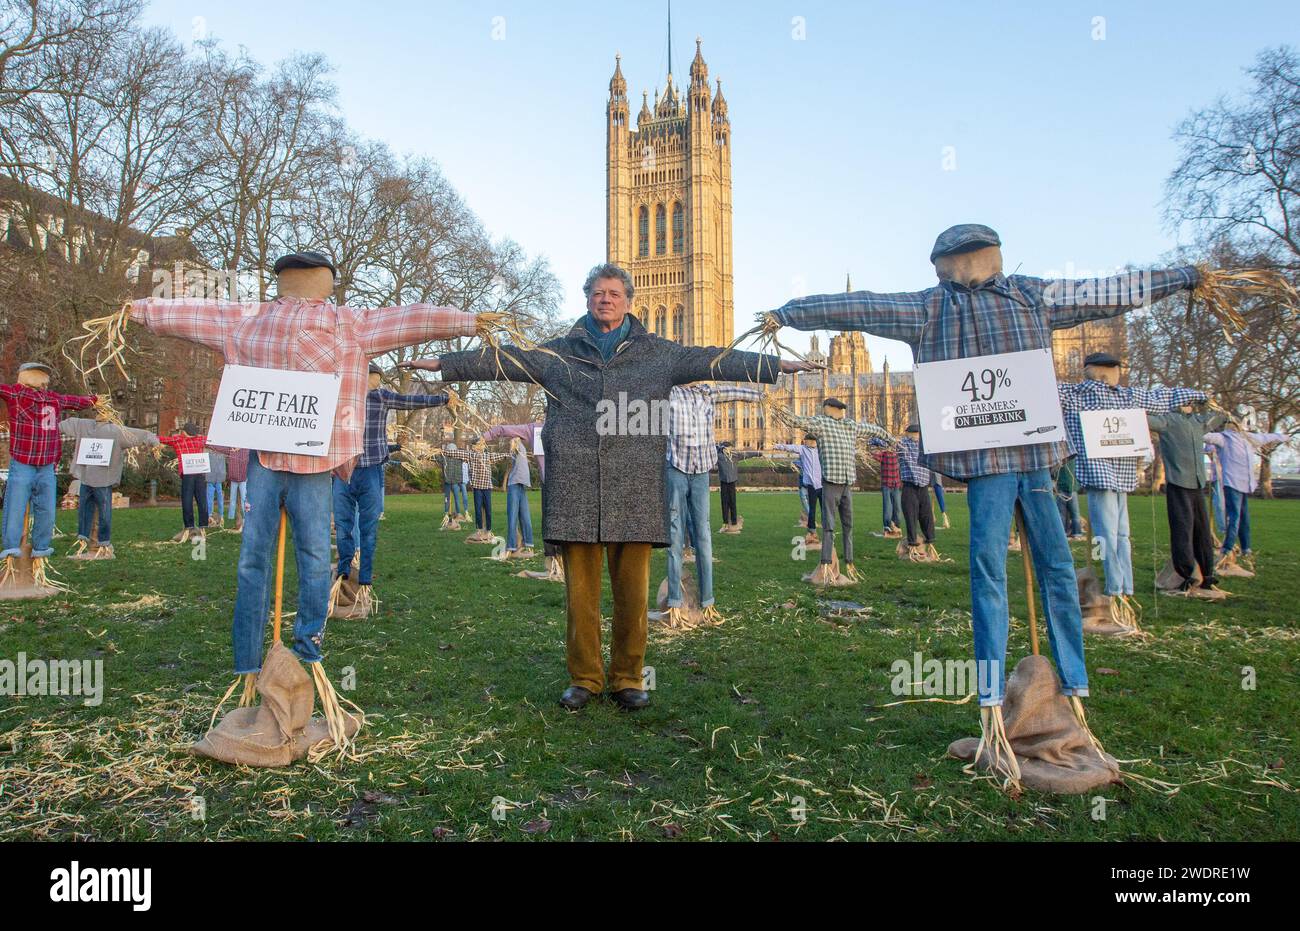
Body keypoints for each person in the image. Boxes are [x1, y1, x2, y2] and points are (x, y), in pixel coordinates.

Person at [764, 222, 1202, 774]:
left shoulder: (1012, 297)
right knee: (1012, 573)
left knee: (1041, 573)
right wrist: (791, 312)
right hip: (1006, 463)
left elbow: (1112, 291)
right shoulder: (963, 303)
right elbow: (855, 307)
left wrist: (1184, 277)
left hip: (1030, 460)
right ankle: (998, 709)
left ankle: (1063, 699)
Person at [400, 262, 798, 712]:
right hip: (576, 484)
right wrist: (443, 364)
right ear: (587, 299)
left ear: (628, 300)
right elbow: (503, 360)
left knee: (632, 594)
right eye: (596, 293)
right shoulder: (558, 353)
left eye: (612, 293)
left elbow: (714, 359)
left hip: (634, 483)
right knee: (580, 595)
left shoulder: (658, 353)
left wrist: (776, 365)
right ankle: (585, 678)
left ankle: (628, 677)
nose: (604, 299)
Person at [129, 249, 484, 732]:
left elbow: (191, 314)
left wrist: (136, 312)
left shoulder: (269, 319)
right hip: (290, 459)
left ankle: (279, 661)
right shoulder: (326, 322)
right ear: (326, 283)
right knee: (297, 557)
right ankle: (277, 662)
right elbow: (410, 320)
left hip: (294, 460)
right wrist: (470, 320)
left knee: (276, 557)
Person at [1057, 351, 1207, 621]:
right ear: (1111, 372)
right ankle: (1122, 587)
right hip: (1120, 473)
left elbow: (1044, 391)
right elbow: (1163, 398)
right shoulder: (1127, 396)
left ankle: (1116, 588)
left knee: (1106, 533)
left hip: (1099, 472)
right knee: (1119, 534)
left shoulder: (1075, 394)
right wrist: (1196, 393)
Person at [334, 361, 450, 590]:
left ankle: (365, 575)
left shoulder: (382, 397)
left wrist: (442, 399)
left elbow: (412, 401)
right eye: (372, 377)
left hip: (370, 469)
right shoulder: (341, 396)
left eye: (375, 378)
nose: (374, 382)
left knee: (369, 525)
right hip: (343, 469)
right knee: (342, 523)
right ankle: (345, 568)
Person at [662, 382, 764, 624]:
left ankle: (708, 602)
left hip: (701, 472)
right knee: (675, 536)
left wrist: (763, 394)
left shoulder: (709, 392)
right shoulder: (670, 391)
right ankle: (675, 603)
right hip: (676, 467)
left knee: (704, 536)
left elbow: (738, 392)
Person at [769, 397, 890, 582]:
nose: (823, 411)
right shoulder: (822, 423)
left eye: (825, 408)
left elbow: (874, 430)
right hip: (831, 482)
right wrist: (776, 406)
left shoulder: (850, 425)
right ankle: (826, 564)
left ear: (832, 408)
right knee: (829, 526)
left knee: (848, 525)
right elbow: (796, 421)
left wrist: (890, 440)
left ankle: (849, 562)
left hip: (846, 483)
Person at [1, 364, 97, 574]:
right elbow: (76, 402)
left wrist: (93, 400)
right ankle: (11, 549)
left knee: (46, 510)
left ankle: (41, 548)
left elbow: (76, 402)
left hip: (46, 465)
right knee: (16, 506)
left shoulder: (53, 398)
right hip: (24, 462)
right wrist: (92, 400)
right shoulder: (17, 394)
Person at [1146, 404, 1230, 597]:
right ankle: (1186, 575)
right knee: (1182, 530)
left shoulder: (1197, 421)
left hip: (1198, 484)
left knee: (1202, 532)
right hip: (1179, 483)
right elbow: (1145, 419)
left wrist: (1215, 406)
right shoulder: (1167, 419)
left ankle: (1206, 574)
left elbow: (1219, 417)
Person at [60, 409, 159, 559]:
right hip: (98, 478)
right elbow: (139, 435)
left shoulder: (88, 426)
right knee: (100, 513)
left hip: (91, 477)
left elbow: (63, 425)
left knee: (92, 512)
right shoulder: (113, 430)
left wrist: (44, 422)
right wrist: (153, 440)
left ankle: (99, 545)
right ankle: (98, 545)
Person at [1204, 422, 1289, 568]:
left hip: (1244, 483)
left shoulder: (1248, 438)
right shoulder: (1224, 438)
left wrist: (1283, 437)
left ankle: (1245, 548)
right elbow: (1206, 437)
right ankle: (1227, 548)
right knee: (1234, 516)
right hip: (1232, 482)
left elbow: (1267, 437)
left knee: (1244, 517)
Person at [442, 439, 511, 540]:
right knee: (478, 510)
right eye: (479, 444)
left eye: (482, 444)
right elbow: (456, 453)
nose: (482, 446)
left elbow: (500, 455)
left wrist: (509, 454)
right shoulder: (470, 455)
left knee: (488, 510)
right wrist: (444, 452)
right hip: (477, 488)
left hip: (487, 487)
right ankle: (479, 531)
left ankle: (488, 530)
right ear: (475, 446)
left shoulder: (488, 455)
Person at [159, 423, 210, 541]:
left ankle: (189, 526)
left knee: (187, 500)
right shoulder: (201, 440)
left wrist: (149, 437)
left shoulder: (178, 440)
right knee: (202, 500)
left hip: (188, 474)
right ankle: (203, 526)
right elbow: (215, 442)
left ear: (185, 432)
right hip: (200, 473)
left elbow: (163, 439)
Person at [898, 423, 939, 558]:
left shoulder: (925, 445)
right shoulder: (903, 444)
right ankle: (912, 545)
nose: (915, 436)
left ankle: (930, 542)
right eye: (913, 434)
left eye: (917, 434)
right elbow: (888, 442)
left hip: (923, 487)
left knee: (926, 516)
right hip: (910, 485)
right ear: (908, 434)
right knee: (910, 516)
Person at [774, 435, 822, 541]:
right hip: (811, 485)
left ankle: (828, 531)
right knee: (812, 509)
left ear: (811, 441)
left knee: (825, 509)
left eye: (806, 440)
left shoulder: (821, 449)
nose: (804, 442)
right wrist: (777, 446)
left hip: (822, 484)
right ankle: (812, 531)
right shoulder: (803, 449)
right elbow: (790, 447)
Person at [502, 437, 536, 557]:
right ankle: (511, 547)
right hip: (514, 486)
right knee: (513, 517)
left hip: (521, 486)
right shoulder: (515, 448)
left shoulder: (521, 447)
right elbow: (511, 463)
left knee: (525, 517)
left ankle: (529, 545)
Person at [871, 440, 904, 537]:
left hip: (896, 485)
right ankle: (887, 528)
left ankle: (896, 527)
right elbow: (873, 454)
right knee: (887, 507)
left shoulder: (898, 454)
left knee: (897, 508)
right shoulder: (883, 455)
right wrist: (875, 445)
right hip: (886, 485)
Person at [1053, 458, 1085, 539]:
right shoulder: (1074, 460)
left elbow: (1053, 474)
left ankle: (1063, 533)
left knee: (1061, 514)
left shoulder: (1057, 461)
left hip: (1061, 489)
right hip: (1072, 489)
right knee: (1075, 514)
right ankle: (1077, 533)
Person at [225, 448, 251, 531]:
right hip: (234, 478)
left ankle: (247, 516)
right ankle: (231, 518)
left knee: (244, 499)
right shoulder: (231, 450)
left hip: (243, 478)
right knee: (233, 499)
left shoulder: (246, 450)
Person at [1204, 442, 1226, 539]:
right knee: (1219, 504)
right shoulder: (1212, 441)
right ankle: (1223, 528)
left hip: (1228, 477)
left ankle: (1227, 530)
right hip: (1217, 477)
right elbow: (1209, 453)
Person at [204, 446, 227, 528]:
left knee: (216, 498)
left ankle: (219, 517)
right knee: (210, 498)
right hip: (212, 478)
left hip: (217, 478)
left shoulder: (218, 450)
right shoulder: (209, 450)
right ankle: (210, 517)